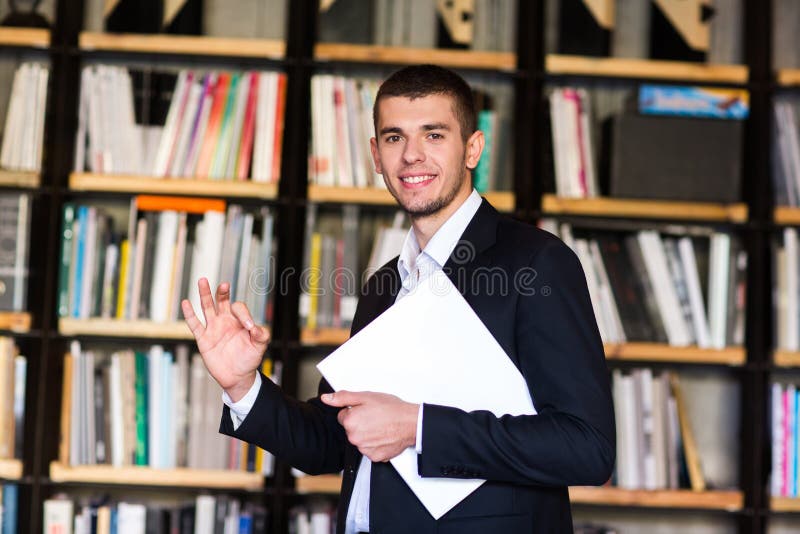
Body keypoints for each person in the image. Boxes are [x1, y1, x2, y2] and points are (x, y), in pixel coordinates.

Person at [182, 64, 615, 534]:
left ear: (473, 148)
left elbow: (586, 447)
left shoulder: (536, 264)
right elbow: (335, 442)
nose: (412, 155)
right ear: (375, 153)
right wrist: (244, 385)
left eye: (433, 135)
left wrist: (418, 427)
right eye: (394, 138)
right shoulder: (383, 286)